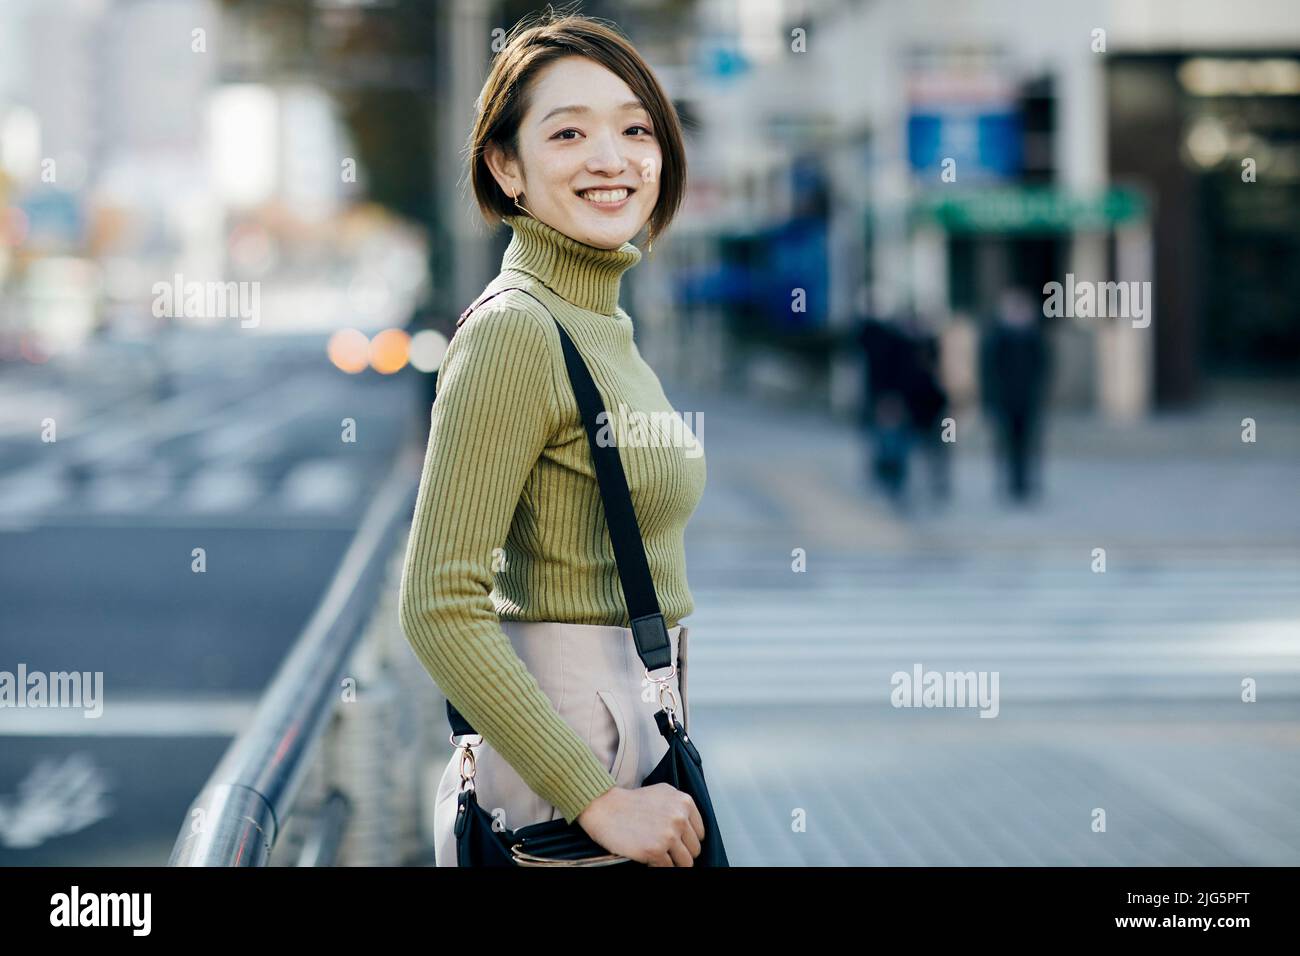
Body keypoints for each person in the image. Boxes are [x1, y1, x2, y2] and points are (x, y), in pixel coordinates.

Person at [398, 11, 709, 867]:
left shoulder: (598, 317)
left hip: (639, 720)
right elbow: (435, 602)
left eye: (635, 128)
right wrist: (598, 799)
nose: (611, 158)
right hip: (573, 757)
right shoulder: (518, 332)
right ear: (508, 168)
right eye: (568, 132)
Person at [978, 287, 1052, 503]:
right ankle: (1010, 484)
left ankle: (1025, 484)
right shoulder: (997, 337)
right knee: (1006, 444)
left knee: (1028, 444)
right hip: (1005, 401)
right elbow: (988, 371)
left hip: (1027, 401)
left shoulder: (1033, 337)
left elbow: (1043, 367)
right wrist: (990, 400)